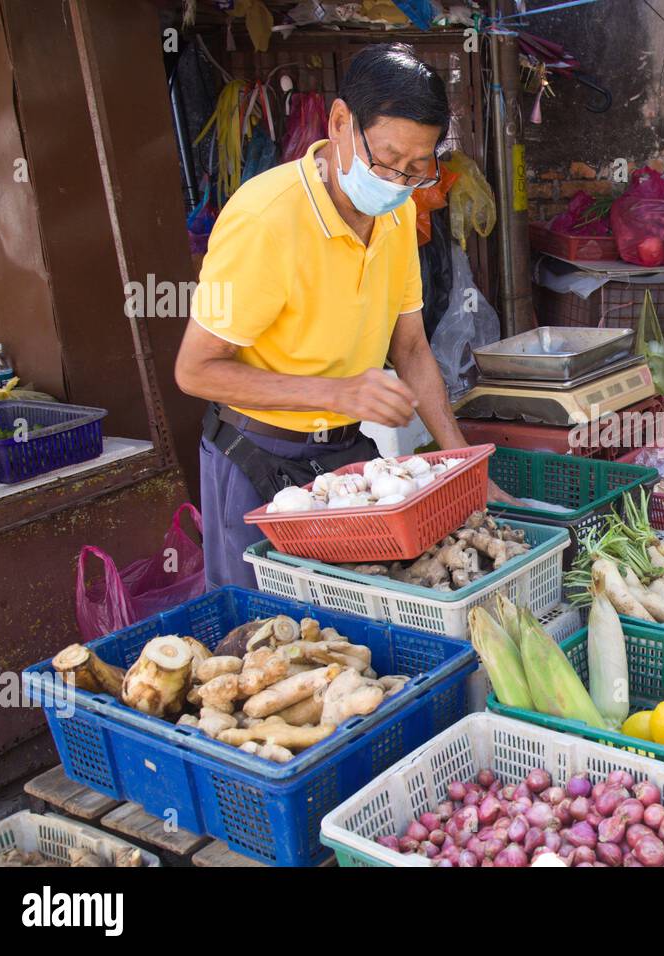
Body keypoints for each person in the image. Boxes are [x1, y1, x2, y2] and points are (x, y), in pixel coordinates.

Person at [176, 44, 512, 590]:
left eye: (417, 167)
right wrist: (337, 394)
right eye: (385, 159)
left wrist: (463, 464)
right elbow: (196, 371)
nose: (399, 179)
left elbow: (410, 348)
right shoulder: (264, 221)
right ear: (338, 122)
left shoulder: (398, 213)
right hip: (257, 460)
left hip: (347, 462)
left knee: (346, 634)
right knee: (265, 641)